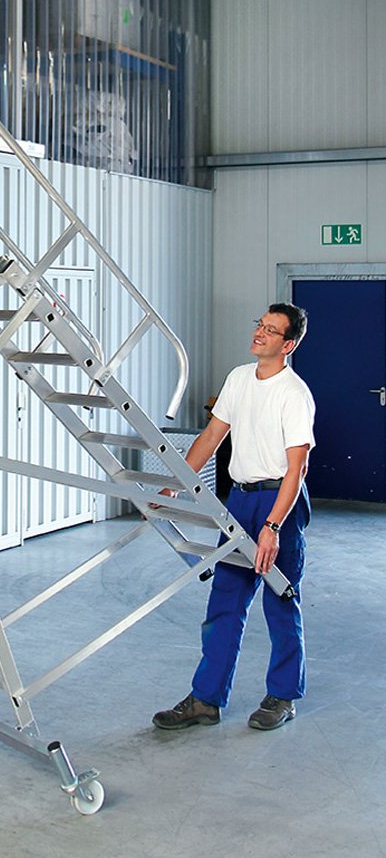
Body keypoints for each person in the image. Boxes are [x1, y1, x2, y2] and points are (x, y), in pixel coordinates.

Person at [152, 303, 315, 732]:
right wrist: (177, 482)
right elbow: (211, 435)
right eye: (259, 325)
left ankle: (282, 696)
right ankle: (206, 699)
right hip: (239, 501)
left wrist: (273, 528)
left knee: (280, 598)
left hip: (278, 503)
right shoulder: (239, 378)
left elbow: (296, 469)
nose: (259, 333)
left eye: (270, 330)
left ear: (288, 344)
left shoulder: (294, 394)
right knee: (225, 601)